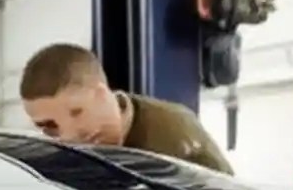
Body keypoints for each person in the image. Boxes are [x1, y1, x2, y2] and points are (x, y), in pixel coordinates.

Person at [19, 42, 234, 175]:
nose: (69, 135)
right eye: (49, 127)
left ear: (102, 94)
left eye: (77, 112)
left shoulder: (176, 134)